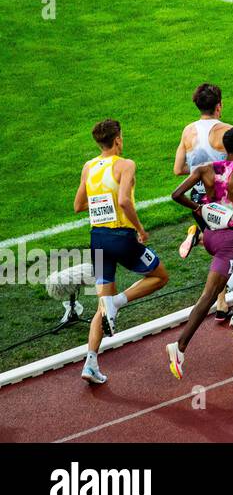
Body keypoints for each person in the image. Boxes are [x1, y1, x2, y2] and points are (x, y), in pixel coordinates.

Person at [74, 119, 169, 385]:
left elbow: (78, 205)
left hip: (98, 239)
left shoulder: (88, 167)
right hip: (122, 238)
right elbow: (125, 201)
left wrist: (102, 201)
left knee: (101, 305)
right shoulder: (126, 164)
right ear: (117, 140)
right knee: (160, 276)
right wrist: (140, 229)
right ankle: (118, 302)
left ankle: (90, 362)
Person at [165, 127, 233, 378]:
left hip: (209, 236)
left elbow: (176, 194)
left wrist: (199, 207)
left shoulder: (205, 169)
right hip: (229, 242)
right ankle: (179, 346)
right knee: (209, 296)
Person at [172, 82, 233, 315]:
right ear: (219, 106)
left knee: (221, 250)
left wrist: (199, 170)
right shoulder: (228, 131)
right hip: (221, 199)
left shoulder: (187, 131)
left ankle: (221, 303)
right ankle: (220, 303)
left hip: (197, 198)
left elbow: (178, 168)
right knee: (228, 248)